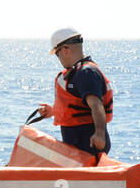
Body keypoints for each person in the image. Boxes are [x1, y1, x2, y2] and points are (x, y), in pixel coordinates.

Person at [38, 27, 113, 157]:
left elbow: (96, 105)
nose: (58, 58)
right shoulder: (76, 72)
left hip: (88, 145)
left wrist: (99, 134)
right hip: (77, 145)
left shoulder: (86, 73)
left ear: (65, 50)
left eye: (57, 54)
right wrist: (52, 111)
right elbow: (76, 106)